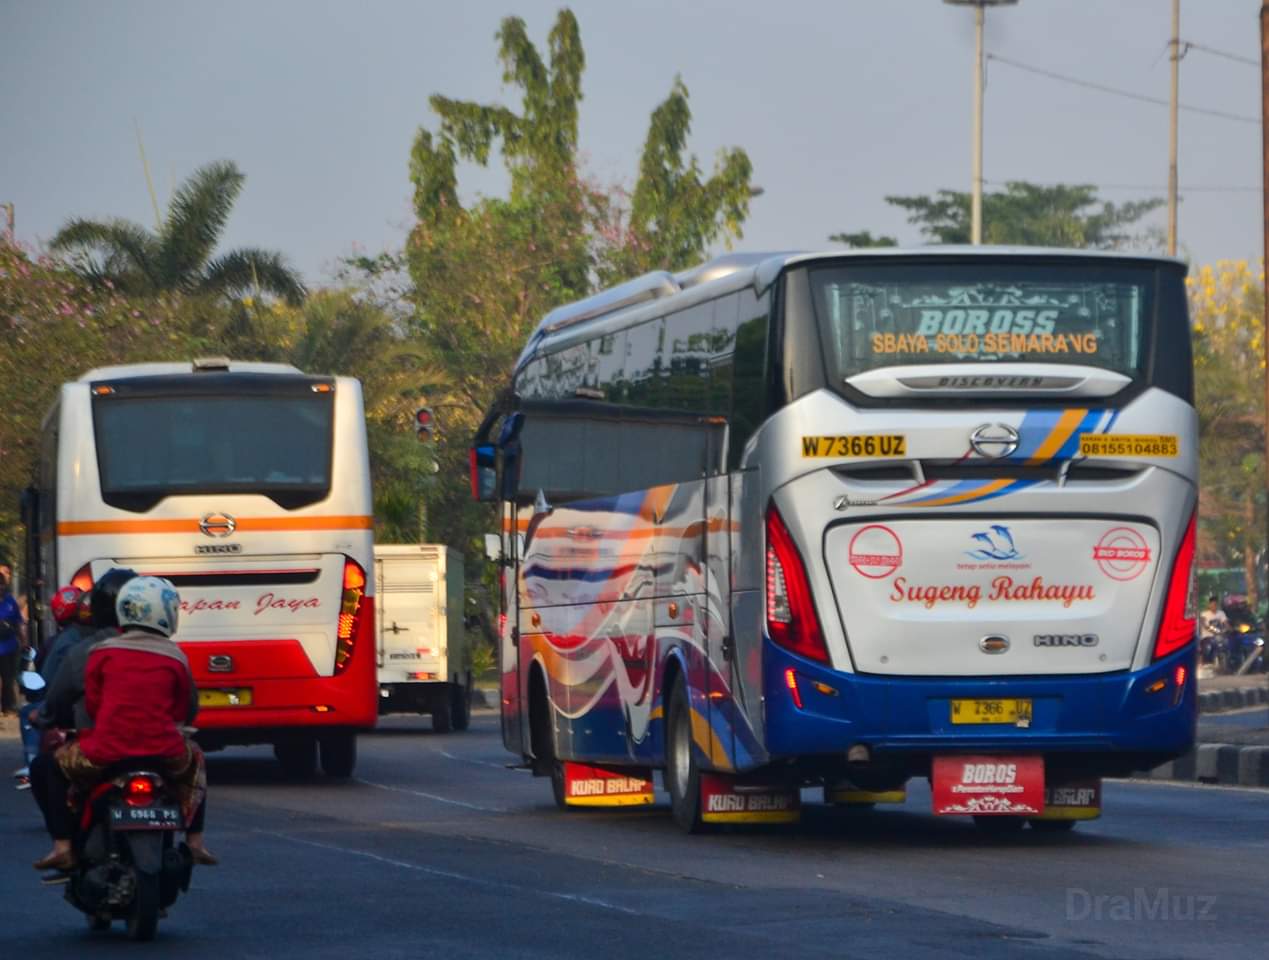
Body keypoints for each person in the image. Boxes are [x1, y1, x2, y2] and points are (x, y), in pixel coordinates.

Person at [31, 576, 216, 871]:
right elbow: (185, 709)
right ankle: (194, 842)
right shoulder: (175, 655)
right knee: (197, 760)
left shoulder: (97, 652)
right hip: (165, 753)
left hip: (104, 751)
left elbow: (93, 702)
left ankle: (62, 846)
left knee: (50, 766)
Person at [0, 565, 27, 717]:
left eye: (2, 584)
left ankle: (8, 706)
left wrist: (23, 642)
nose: (0, 587)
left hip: (9, 647)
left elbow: (18, 623)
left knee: (8, 678)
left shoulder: (10, 601)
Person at [1198, 595, 1229, 666]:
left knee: (1227, 645)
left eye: (1216, 604)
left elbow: (1226, 622)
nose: (1214, 606)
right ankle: (1205, 663)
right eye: (1212, 604)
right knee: (1207, 648)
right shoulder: (1204, 614)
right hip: (1207, 637)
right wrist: (1211, 630)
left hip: (1220, 636)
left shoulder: (1221, 613)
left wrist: (1228, 629)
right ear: (1209, 605)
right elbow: (1204, 625)